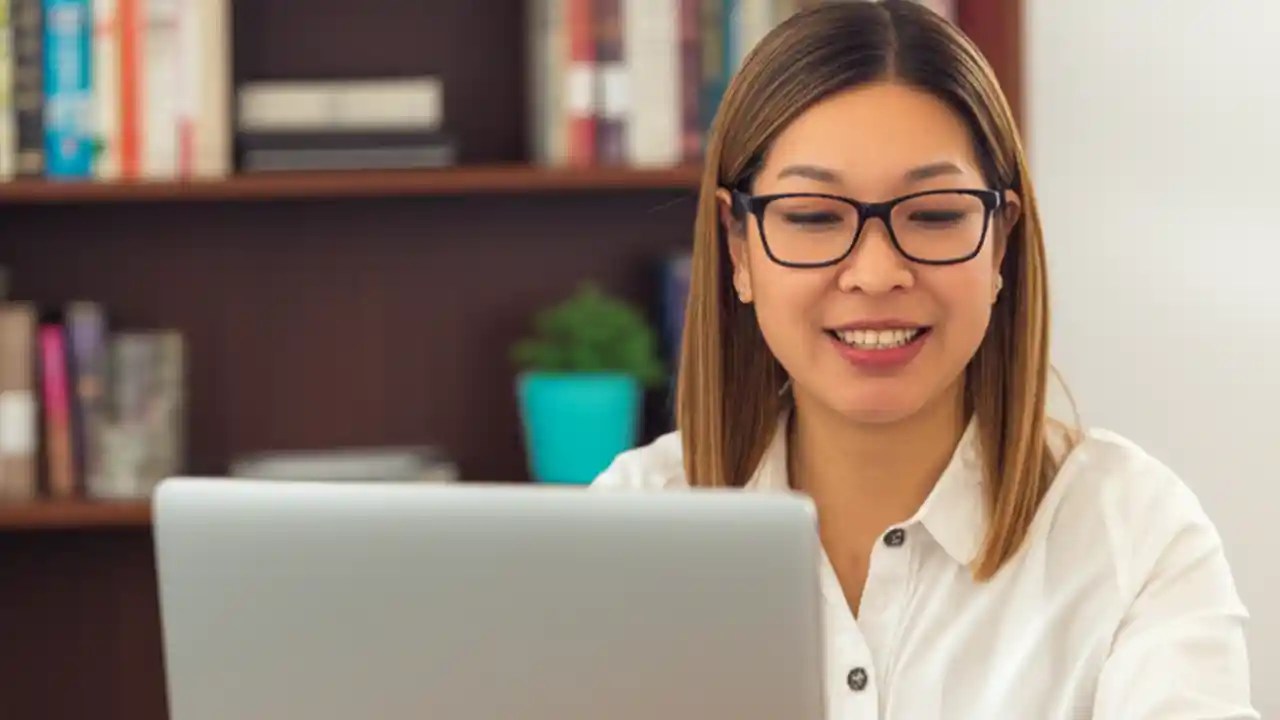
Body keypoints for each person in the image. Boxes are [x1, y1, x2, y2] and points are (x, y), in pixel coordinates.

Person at [590, 2, 1257, 718]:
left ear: (1001, 242)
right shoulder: (630, 523)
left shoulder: (1132, 532)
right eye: (814, 217)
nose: (876, 274)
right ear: (738, 247)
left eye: (935, 214)